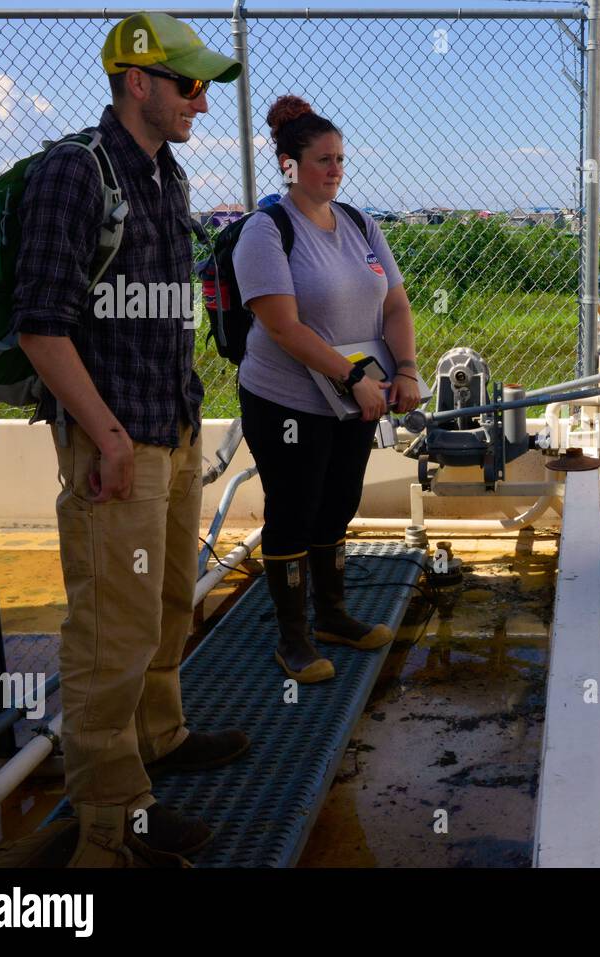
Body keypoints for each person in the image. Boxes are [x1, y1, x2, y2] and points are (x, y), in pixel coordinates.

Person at [14, 12, 250, 867]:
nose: (201, 101)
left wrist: (182, 424)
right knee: (110, 631)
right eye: (188, 84)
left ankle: (161, 735)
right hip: (116, 444)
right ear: (136, 82)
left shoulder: (165, 176)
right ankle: (114, 819)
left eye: (204, 86)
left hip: (169, 429)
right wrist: (108, 439)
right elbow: (42, 325)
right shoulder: (74, 175)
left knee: (165, 603)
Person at [233, 95, 420, 685]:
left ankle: (334, 615)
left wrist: (408, 368)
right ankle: (293, 639)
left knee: (338, 502)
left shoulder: (361, 224)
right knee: (294, 509)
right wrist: (355, 376)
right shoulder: (266, 232)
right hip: (289, 399)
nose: (335, 171)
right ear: (289, 165)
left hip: (355, 397)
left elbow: (394, 301)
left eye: (340, 160)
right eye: (322, 161)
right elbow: (283, 326)